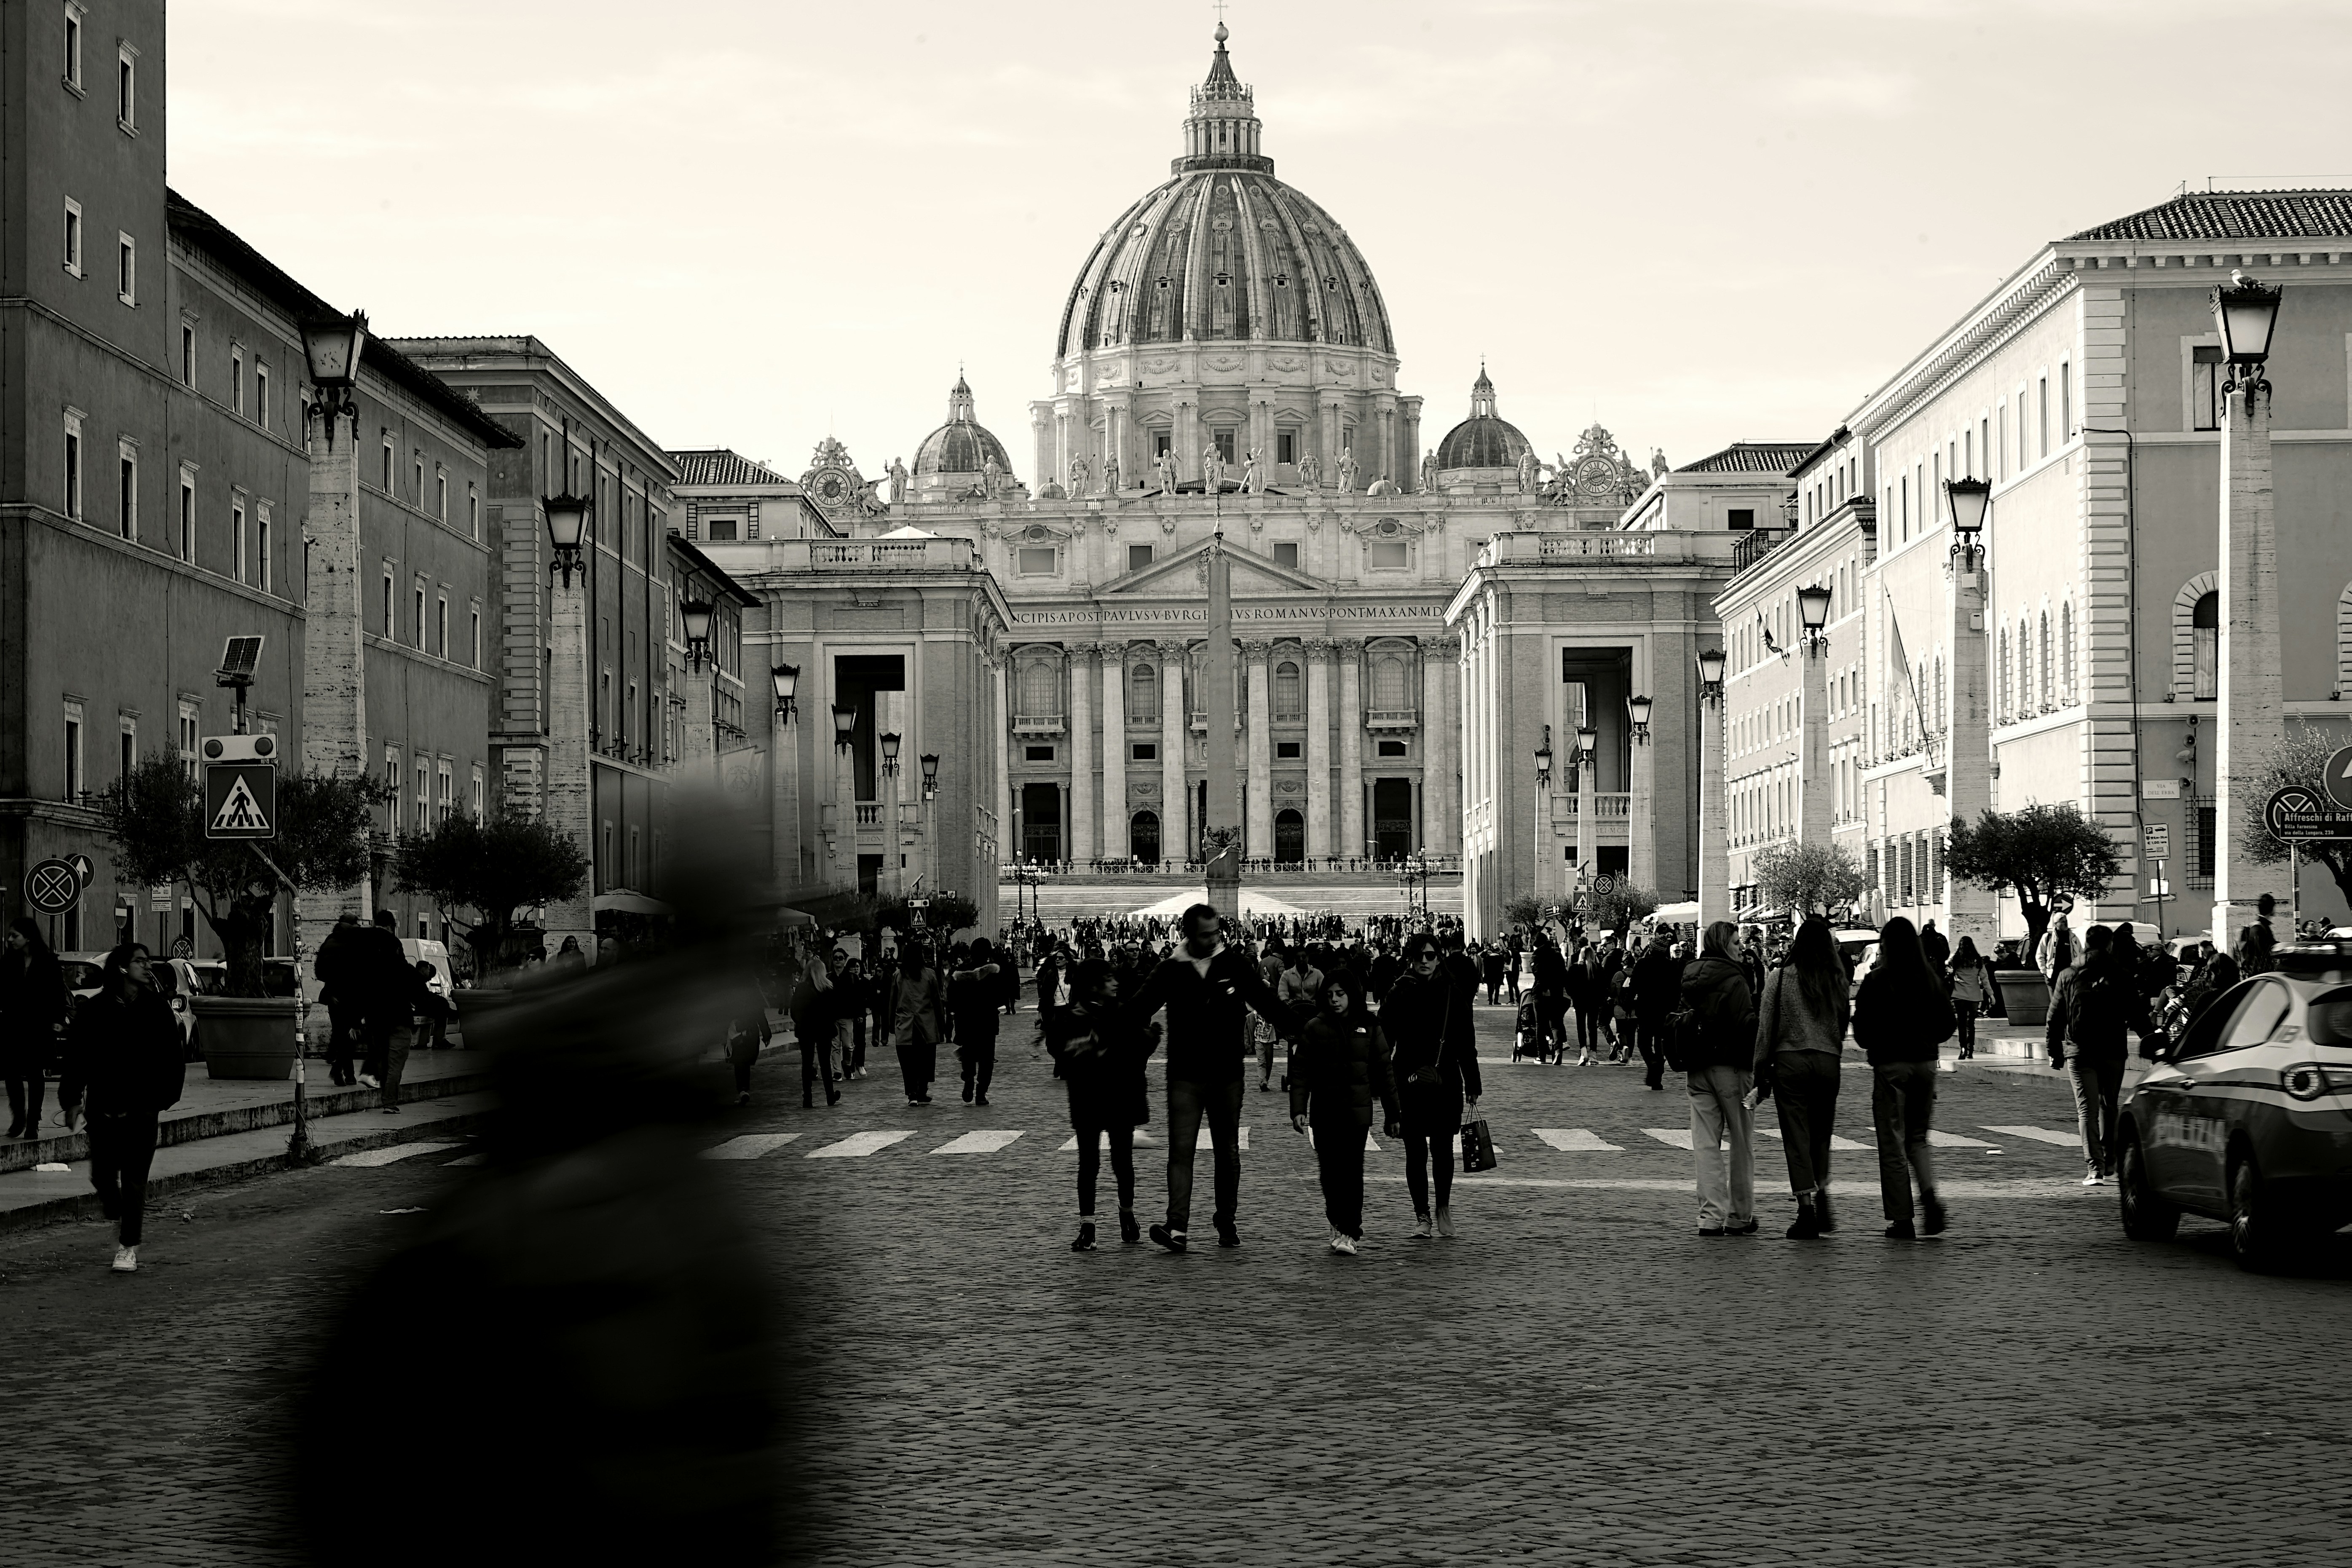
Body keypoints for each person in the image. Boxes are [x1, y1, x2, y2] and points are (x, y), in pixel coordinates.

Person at [1126, 903, 1299, 1252]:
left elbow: (1267, 1003)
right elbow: (1137, 1008)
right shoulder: (1170, 969)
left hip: (1226, 1074)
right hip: (1185, 1074)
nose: (1214, 938)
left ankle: (1226, 1220)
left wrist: (1304, 1030)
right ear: (1189, 934)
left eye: (1216, 932)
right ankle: (1177, 1227)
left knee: (1228, 1152)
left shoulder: (1234, 964)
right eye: (1206, 934)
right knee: (1181, 1151)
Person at [56, 943, 185, 1273]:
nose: (147, 966)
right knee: (102, 1176)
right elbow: (76, 1058)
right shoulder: (96, 1009)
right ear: (123, 968)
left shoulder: (156, 1009)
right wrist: (71, 1100)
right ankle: (116, 1211)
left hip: (142, 1109)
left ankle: (128, 1246)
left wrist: (165, 1096)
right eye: (140, 961)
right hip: (104, 1109)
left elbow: (174, 1056)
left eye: (148, 961)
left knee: (135, 1180)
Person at [1851, 915, 1956, 1239]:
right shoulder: (1930, 979)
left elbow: (1862, 1030)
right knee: (1918, 1137)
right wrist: (1927, 1040)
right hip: (1925, 1064)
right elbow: (1948, 1024)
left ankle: (1902, 1218)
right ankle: (1928, 1194)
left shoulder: (1877, 980)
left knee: (1892, 1142)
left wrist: (1878, 1042)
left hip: (1891, 1066)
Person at [1289, 972, 1401, 1255]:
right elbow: (1301, 1071)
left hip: (1357, 1112)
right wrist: (1298, 1109)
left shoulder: (1370, 1026)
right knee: (1330, 1172)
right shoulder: (1315, 1027)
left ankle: (1350, 1230)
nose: (1335, 1000)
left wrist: (1393, 1113)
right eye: (1330, 995)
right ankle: (1336, 1220)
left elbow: (1385, 1071)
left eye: (1340, 994)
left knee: (1352, 1172)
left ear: (1351, 994)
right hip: (1325, 1112)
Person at [1046, 959, 1154, 1251]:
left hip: (1119, 1096)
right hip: (1088, 1097)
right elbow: (1056, 1047)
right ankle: (1088, 1226)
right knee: (1089, 1164)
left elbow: (1141, 1047)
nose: (1115, 982)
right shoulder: (1072, 1016)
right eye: (1109, 978)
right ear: (1094, 984)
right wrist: (1086, 1046)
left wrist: (1150, 1037)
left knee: (1122, 1162)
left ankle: (1127, 1215)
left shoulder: (1123, 1013)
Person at [1754, 918, 1851, 1239]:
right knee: (1822, 1135)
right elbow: (1843, 1020)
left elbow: (1766, 1028)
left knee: (1797, 1138)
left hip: (1790, 1062)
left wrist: (1760, 1070)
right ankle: (1823, 1190)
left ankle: (1806, 1208)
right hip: (1827, 1062)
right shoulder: (1836, 978)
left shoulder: (1779, 978)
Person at [1380, 933, 1482, 1239]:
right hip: (1409, 1080)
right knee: (1415, 1151)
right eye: (1418, 956)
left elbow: (1466, 1043)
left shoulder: (1453, 993)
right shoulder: (1398, 992)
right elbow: (1384, 1042)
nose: (1424, 961)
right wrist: (1383, 1087)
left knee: (1442, 1149)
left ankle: (1443, 1208)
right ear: (1410, 958)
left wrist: (1473, 1083)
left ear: (1439, 957)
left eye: (1430, 955)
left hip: (1445, 1079)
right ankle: (1422, 1215)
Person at [2044, 924, 2156, 1186]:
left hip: (2079, 1050)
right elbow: (2137, 1014)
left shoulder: (2068, 974)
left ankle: (2094, 1169)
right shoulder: (2121, 974)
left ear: (2085, 944)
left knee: (2087, 1109)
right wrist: (2152, 1043)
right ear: (2110, 945)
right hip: (2113, 1050)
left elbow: (2055, 1016)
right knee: (2110, 1105)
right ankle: (2110, 1163)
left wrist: (2054, 1051)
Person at [1678, 921, 1758, 1237]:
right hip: (1731, 1067)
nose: (1741, 947)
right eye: (1737, 942)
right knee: (1741, 1141)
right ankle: (1739, 1216)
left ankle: (1710, 1216)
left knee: (1705, 1144)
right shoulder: (1735, 979)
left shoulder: (1690, 974)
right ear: (1724, 945)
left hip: (1698, 1068)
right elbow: (1746, 1024)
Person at [2, 917, 69, 1138]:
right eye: (10, 935)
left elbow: (58, 993)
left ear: (28, 937)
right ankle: (19, 1116)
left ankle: (34, 1121)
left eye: (15, 936)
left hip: (39, 1026)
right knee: (11, 1072)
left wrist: (58, 1020)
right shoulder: (7, 962)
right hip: (13, 1025)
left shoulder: (48, 962)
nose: (10, 940)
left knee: (35, 1072)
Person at [311, 913, 367, 1087]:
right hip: (352, 994)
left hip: (333, 995)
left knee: (341, 1032)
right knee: (352, 1033)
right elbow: (361, 970)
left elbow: (319, 971)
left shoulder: (329, 940)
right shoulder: (356, 942)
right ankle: (341, 1070)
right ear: (353, 925)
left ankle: (346, 1072)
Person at [950, 939, 1005, 1106]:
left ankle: (968, 1079)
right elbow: (1002, 997)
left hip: (966, 1021)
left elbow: (951, 997)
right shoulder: (994, 972)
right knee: (987, 1059)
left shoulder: (960, 972)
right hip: (987, 1021)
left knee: (968, 1054)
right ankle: (981, 1093)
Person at [890, 944, 946, 1105]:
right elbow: (937, 1001)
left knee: (908, 1063)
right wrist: (942, 1025)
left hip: (905, 1025)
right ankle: (921, 1090)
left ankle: (912, 1093)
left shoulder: (898, 976)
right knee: (925, 1061)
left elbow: (892, 1002)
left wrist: (890, 1025)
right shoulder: (929, 975)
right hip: (926, 1025)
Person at [790, 947, 842, 1108]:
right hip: (824, 1029)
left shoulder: (801, 989)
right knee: (825, 1063)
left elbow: (794, 1011)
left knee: (807, 1064)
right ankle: (830, 1096)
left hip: (806, 1030)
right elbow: (835, 1011)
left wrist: (802, 1022)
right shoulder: (828, 988)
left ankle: (808, 1098)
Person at [1629, 932, 1681, 1091]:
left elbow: (1634, 986)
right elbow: (1677, 990)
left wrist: (1629, 1004)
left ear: (1652, 949)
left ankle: (1652, 1064)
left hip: (1646, 1010)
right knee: (1661, 1044)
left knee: (1643, 1043)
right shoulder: (1671, 966)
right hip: (1666, 1011)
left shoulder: (1643, 964)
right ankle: (1657, 1078)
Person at [725, 959, 772, 1107]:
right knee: (745, 1064)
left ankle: (742, 1090)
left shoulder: (731, 994)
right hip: (751, 1034)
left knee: (739, 1064)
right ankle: (745, 1090)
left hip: (738, 1033)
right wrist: (766, 1034)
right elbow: (761, 1016)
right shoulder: (755, 995)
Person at [1947, 937, 1989, 1059]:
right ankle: (1971, 1049)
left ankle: (1963, 1048)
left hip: (1959, 995)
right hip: (1974, 996)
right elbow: (1985, 979)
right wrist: (1991, 994)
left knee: (1961, 1023)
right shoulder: (1978, 961)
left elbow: (1947, 963)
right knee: (1971, 1023)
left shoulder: (1956, 959)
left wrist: (1955, 951)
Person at [2035, 911, 2076, 983]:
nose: (2066, 923)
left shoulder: (2073, 937)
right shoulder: (2048, 937)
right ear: (2056, 924)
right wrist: (2044, 970)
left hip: (2069, 976)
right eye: (2063, 922)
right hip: (2053, 976)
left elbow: (2080, 954)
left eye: (2066, 921)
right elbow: (2040, 955)